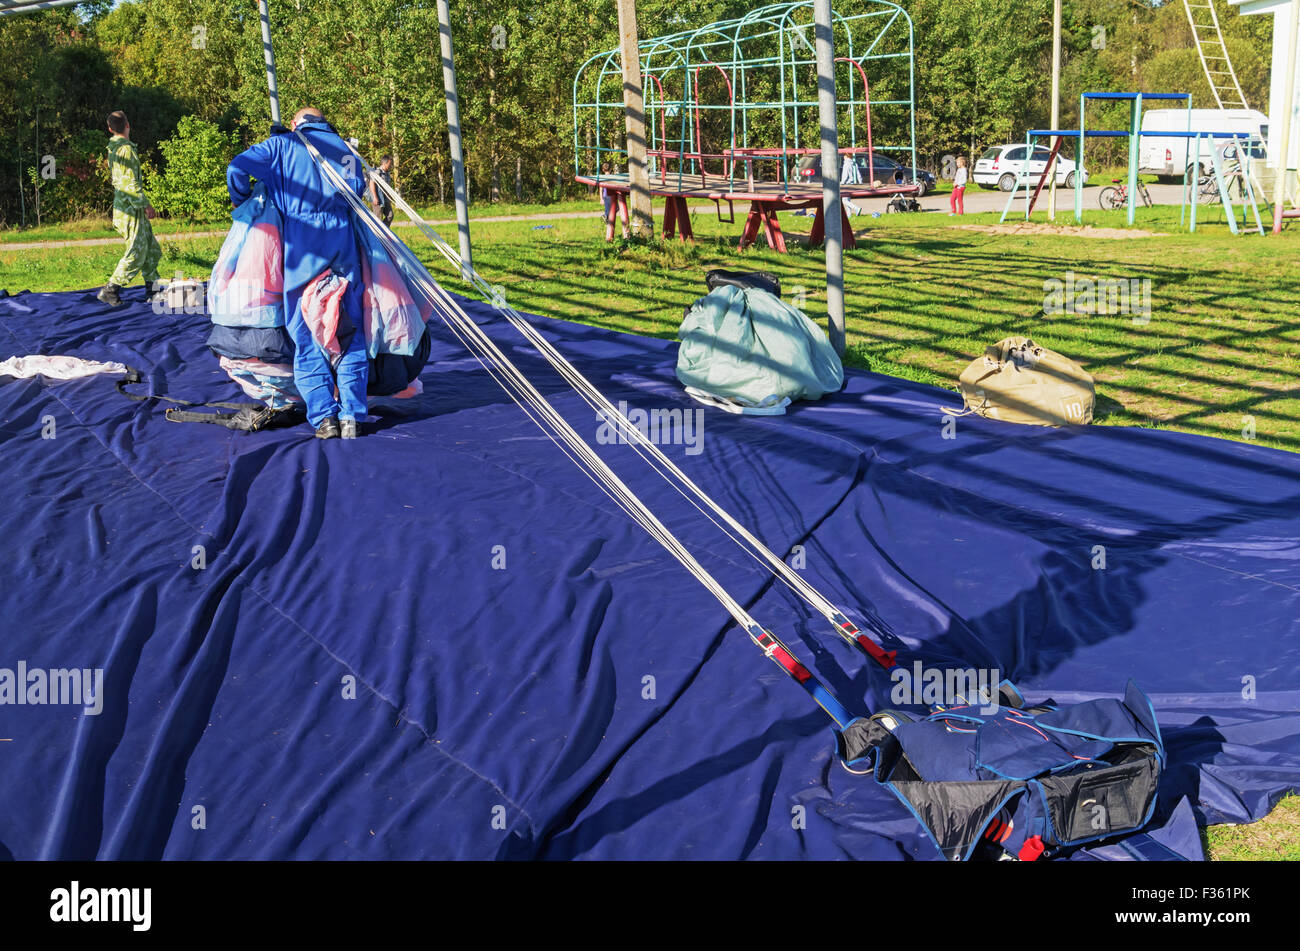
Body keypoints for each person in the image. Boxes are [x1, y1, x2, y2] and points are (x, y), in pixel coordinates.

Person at [226, 107, 369, 439]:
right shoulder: (345, 148)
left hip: (302, 247)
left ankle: (324, 419)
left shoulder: (281, 146)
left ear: (294, 124)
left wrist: (242, 201)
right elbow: (356, 188)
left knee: (306, 334)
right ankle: (353, 416)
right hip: (342, 244)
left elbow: (237, 166)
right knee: (347, 330)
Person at [97, 111, 163, 307]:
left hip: (128, 207)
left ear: (110, 128)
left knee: (151, 249)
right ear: (128, 124)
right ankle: (110, 290)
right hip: (130, 210)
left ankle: (153, 291)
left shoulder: (115, 147)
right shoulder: (124, 150)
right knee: (136, 252)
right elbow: (130, 183)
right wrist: (145, 205)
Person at [369, 154, 395, 227]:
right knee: (378, 219)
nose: (391, 166)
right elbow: (372, 184)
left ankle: (384, 232)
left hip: (385, 198)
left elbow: (388, 187)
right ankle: (377, 236)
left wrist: (390, 197)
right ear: (384, 163)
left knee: (390, 215)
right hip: (378, 198)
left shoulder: (388, 173)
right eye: (390, 164)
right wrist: (375, 197)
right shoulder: (377, 172)